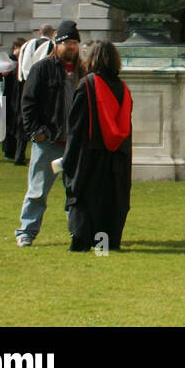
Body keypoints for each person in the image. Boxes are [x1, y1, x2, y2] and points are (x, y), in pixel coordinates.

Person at [16, 20, 82, 247]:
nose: (71, 47)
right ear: (58, 44)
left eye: (74, 42)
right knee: (37, 191)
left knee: (75, 193)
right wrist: (36, 132)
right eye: (67, 43)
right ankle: (26, 231)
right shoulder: (42, 69)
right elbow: (28, 104)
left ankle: (77, 232)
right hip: (50, 141)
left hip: (74, 143)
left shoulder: (84, 71)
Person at [63, 40, 132, 252]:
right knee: (110, 200)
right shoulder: (123, 88)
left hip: (90, 152)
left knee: (85, 196)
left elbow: (77, 125)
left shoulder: (88, 84)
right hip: (116, 155)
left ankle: (82, 242)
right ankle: (105, 243)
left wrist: (69, 158)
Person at [2, 38, 27, 163]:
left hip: (15, 96)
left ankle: (12, 151)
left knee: (14, 124)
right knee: (9, 124)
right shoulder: (10, 60)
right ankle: (8, 150)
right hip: (8, 96)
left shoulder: (18, 60)